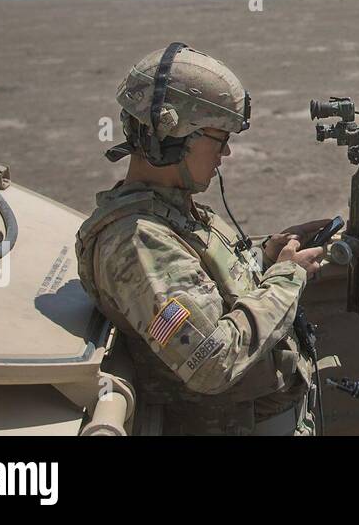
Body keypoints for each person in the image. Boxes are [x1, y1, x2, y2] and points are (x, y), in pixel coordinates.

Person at [75, 43, 337, 435]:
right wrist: (287, 277)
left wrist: (266, 256)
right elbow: (212, 360)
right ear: (174, 137)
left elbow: (208, 283)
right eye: (219, 138)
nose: (226, 152)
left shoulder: (168, 210)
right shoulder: (138, 244)